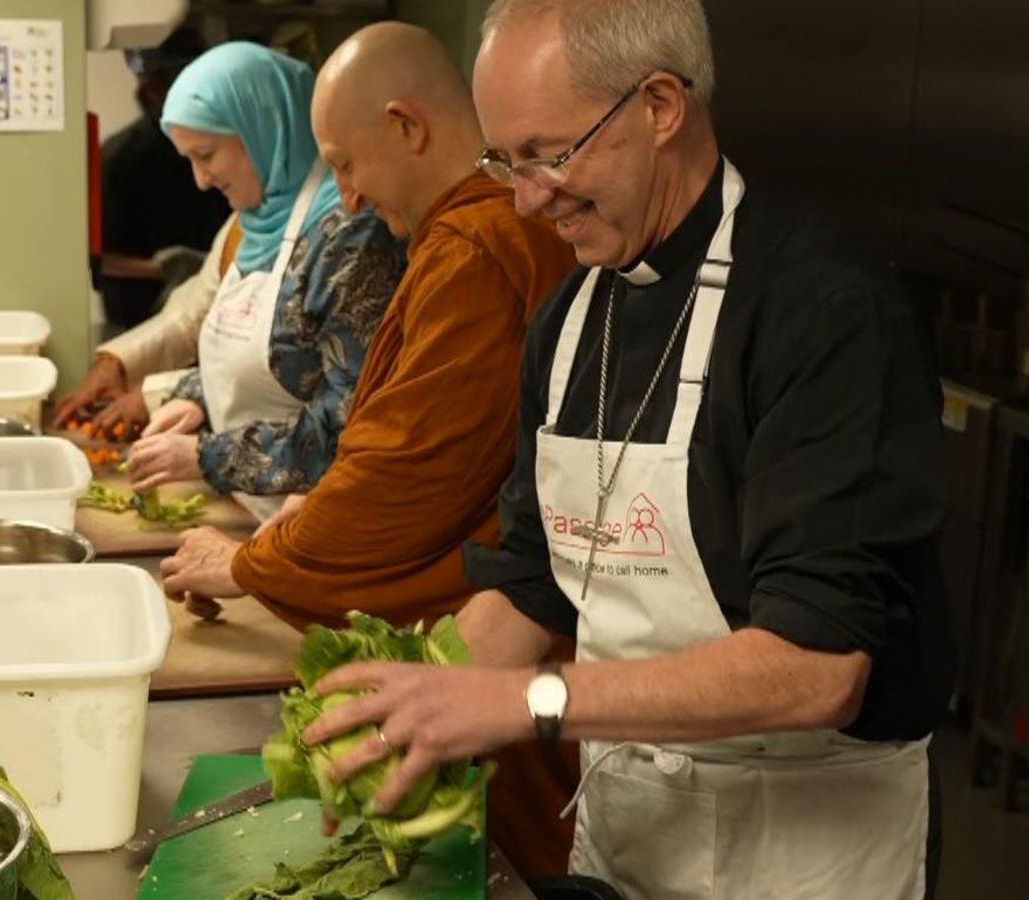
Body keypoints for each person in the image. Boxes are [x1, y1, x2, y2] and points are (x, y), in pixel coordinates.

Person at [298, 3, 955, 900]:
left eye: (548, 152)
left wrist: (528, 703)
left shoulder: (823, 309)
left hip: (803, 853)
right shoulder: (570, 324)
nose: (526, 196)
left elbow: (818, 666)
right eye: (506, 159)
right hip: (627, 836)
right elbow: (535, 585)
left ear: (659, 106)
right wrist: (410, 701)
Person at [153, 23, 582, 877]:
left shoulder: (477, 246)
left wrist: (250, 563)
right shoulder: (467, 239)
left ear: (407, 126)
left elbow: (402, 479)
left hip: (513, 650)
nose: (344, 198)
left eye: (346, 164)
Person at [58, 42, 406, 520]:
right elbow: (275, 357)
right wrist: (197, 399)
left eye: (207, 154)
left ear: (263, 127)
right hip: (255, 508)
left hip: (324, 523)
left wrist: (206, 454)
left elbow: (349, 423)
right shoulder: (253, 220)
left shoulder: (351, 234)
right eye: (188, 160)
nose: (200, 180)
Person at [96, 29, 232, 331]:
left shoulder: (227, 150)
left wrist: (210, 267)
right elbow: (97, 258)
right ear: (149, 91)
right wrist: (164, 269)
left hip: (217, 315)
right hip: (139, 322)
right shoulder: (118, 158)